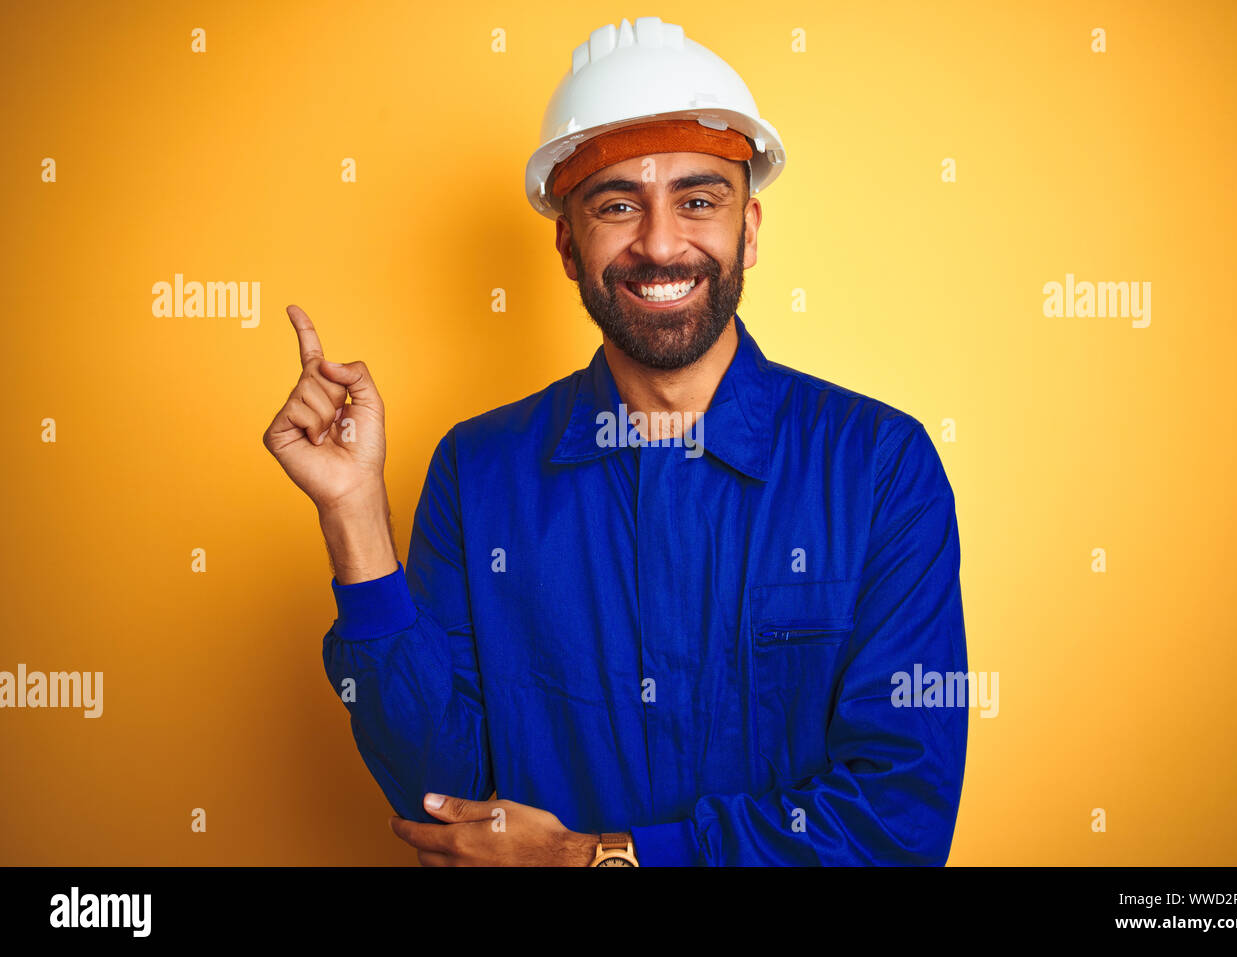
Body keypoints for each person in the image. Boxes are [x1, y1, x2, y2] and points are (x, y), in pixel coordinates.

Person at [263, 16, 969, 866]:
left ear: (748, 229)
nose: (662, 242)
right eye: (618, 204)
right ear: (567, 243)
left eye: (699, 199)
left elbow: (900, 823)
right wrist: (354, 518)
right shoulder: (476, 471)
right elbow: (439, 794)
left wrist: (592, 858)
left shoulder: (881, 469)